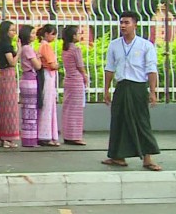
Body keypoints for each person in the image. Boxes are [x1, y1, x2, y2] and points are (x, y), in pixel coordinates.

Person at [102, 11, 161, 171]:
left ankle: (148, 158)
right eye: (121, 22)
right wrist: (106, 90)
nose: (123, 25)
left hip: (138, 87)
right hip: (121, 87)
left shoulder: (145, 45)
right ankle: (117, 156)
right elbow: (109, 68)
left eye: (127, 22)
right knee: (118, 120)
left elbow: (151, 69)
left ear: (135, 24)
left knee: (141, 121)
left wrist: (153, 91)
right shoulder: (114, 45)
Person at [0, 21, 20, 148]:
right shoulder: (5, 45)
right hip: (7, 75)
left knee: (4, 107)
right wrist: (19, 51)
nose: (14, 33)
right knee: (9, 108)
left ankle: (3, 136)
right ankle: (7, 136)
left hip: (4, 76)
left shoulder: (1, 43)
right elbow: (12, 62)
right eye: (11, 30)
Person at [61, 26, 88, 146]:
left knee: (68, 108)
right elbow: (80, 66)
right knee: (76, 110)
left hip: (68, 79)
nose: (80, 35)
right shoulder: (76, 50)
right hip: (76, 80)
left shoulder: (65, 50)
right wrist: (85, 76)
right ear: (73, 36)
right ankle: (75, 136)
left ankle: (67, 134)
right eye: (78, 33)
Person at [36, 24, 60, 146]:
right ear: (46, 34)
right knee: (48, 105)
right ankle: (45, 135)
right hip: (48, 75)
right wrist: (58, 65)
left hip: (46, 75)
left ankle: (46, 134)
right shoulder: (46, 47)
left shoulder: (41, 46)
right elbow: (52, 64)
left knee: (47, 104)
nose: (54, 36)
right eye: (52, 34)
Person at [19, 25, 42, 147]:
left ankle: (28, 138)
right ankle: (30, 139)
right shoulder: (28, 48)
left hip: (27, 78)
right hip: (30, 80)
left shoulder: (24, 48)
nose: (34, 35)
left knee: (28, 109)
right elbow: (37, 65)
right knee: (30, 109)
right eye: (32, 33)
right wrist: (38, 58)